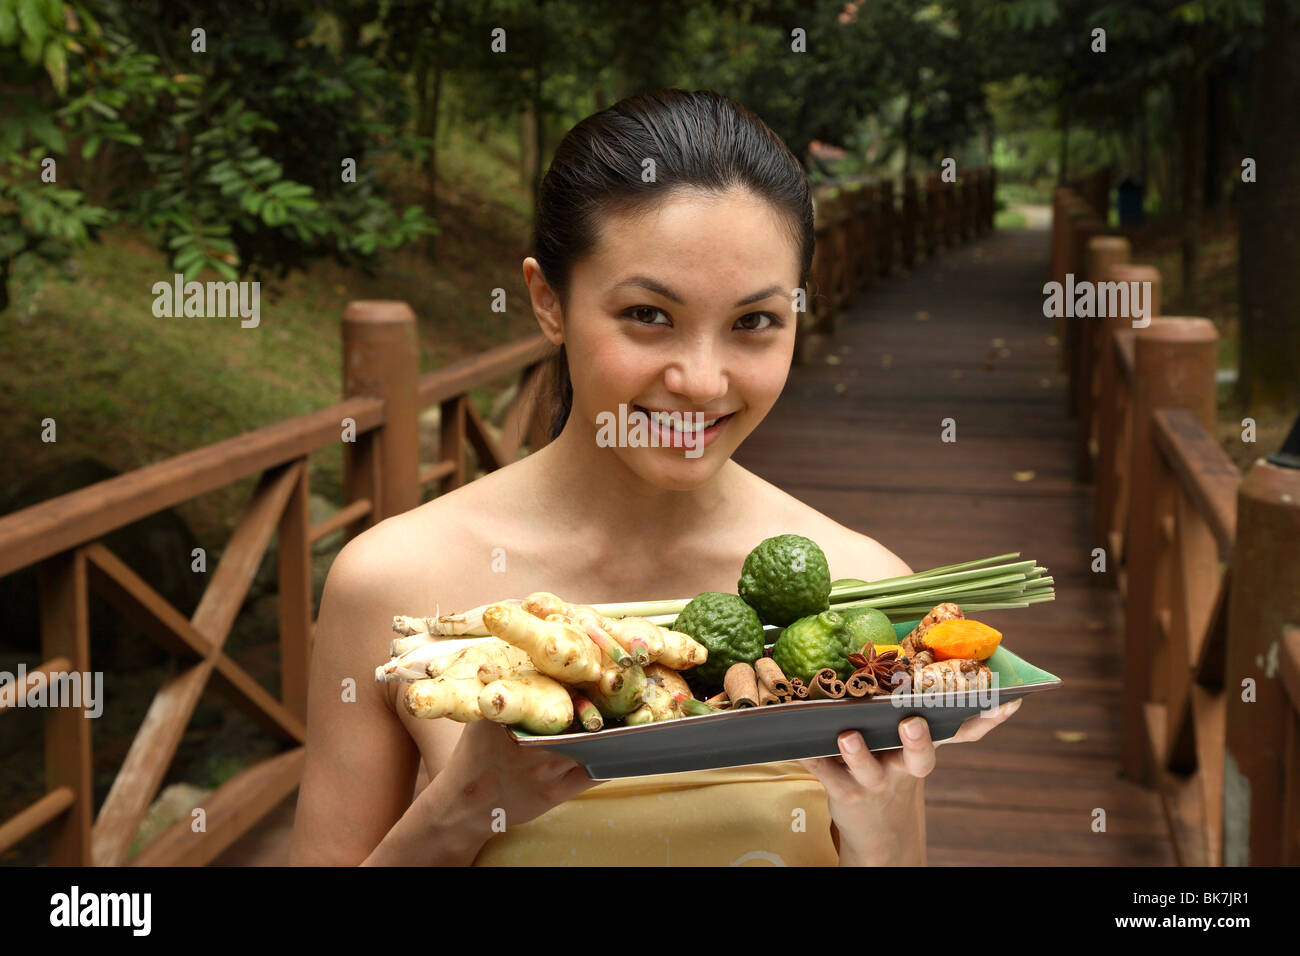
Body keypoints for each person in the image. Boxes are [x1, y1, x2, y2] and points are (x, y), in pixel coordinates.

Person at [290, 89, 1020, 866]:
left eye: (753, 322)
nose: (703, 381)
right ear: (548, 301)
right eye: (648, 315)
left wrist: (880, 817)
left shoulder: (861, 592)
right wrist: (459, 815)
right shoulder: (396, 584)